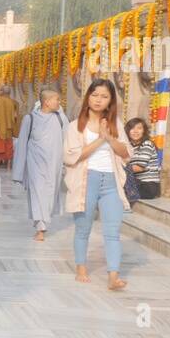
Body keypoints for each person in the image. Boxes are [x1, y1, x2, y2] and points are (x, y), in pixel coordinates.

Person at [63, 78, 131, 291]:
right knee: (83, 228)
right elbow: (70, 156)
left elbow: (126, 153)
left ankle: (113, 275)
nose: (98, 100)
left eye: (104, 96)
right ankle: (81, 267)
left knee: (113, 230)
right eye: (94, 95)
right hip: (86, 179)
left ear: (111, 101)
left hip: (111, 181)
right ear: (88, 97)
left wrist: (109, 138)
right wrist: (100, 140)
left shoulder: (116, 124)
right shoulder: (75, 126)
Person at [12, 88, 66, 241]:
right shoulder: (30, 118)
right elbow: (22, 143)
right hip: (35, 165)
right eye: (57, 99)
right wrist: (18, 171)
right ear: (47, 102)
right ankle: (40, 227)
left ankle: (43, 222)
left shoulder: (60, 118)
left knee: (49, 195)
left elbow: (68, 138)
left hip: (53, 165)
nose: (59, 102)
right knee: (37, 194)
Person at [125, 118, 161, 199]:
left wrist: (118, 170)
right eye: (132, 128)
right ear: (127, 131)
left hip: (148, 186)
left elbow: (139, 168)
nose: (135, 131)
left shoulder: (146, 144)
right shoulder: (130, 146)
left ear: (144, 131)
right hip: (137, 183)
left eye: (139, 128)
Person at [0, 85, 20, 167]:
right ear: (10, 92)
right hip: (9, 129)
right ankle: (8, 166)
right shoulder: (15, 103)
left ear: (2, 92)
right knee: (8, 146)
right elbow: (16, 117)